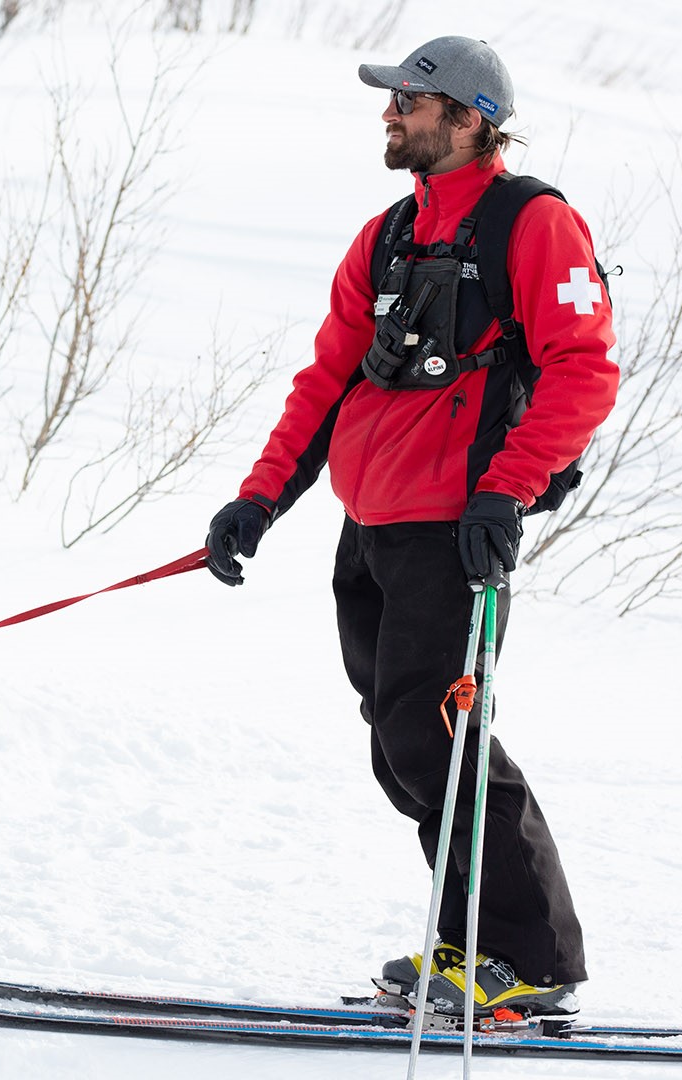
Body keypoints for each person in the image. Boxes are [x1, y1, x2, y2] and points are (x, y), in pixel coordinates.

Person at [204, 36, 618, 1018]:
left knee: (440, 742)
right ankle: (467, 943)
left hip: (455, 532)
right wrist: (258, 499)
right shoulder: (389, 235)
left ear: (471, 117)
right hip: (374, 528)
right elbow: (328, 378)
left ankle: (532, 960)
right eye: (392, 102)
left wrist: (505, 491)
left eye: (410, 102)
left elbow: (584, 368)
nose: (390, 115)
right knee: (402, 749)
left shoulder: (536, 224)